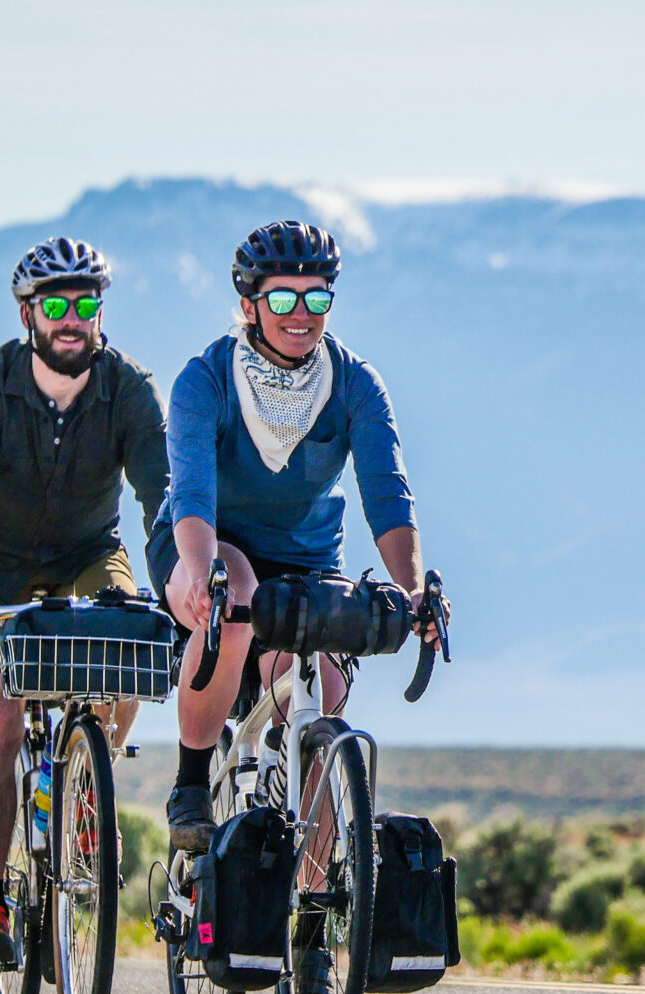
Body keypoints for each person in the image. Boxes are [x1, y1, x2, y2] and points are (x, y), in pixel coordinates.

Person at [153, 218, 444, 847]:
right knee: (234, 605)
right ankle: (192, 783)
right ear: (249, 305)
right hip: (204, 542)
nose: (301, 314)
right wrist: (200, 572)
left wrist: (413, 591)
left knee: (325, 687)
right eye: (283, 298)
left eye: (317, 299)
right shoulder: (203, 380)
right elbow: (194, 496)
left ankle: (313, 907)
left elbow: (387, 496)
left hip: (305, 559)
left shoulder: (356, 384)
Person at [0, 236, 169, 966]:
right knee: (0, 713)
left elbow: (163, 501)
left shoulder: (129, 388)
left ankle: (90, 785)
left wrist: (183, 584)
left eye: (86, 303)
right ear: (27, 312)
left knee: (131, 640)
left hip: (87, 555)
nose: (73, 319)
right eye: (56, 305)